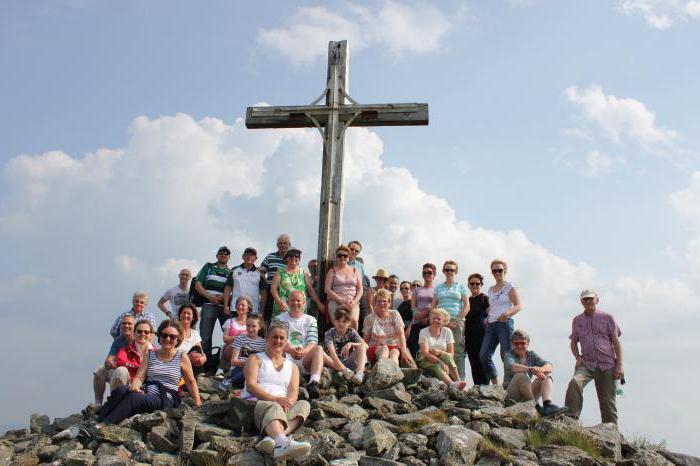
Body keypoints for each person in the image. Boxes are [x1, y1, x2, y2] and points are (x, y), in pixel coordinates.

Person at [98, 320, 201, 424]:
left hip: (165, 397)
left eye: (172, 337)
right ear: (160, 337)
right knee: (121, 390)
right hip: (147, 392)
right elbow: (139, 377)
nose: (168, 339)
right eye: (164, 336)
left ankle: (104, 424)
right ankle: (98, 418)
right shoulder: (150, 354)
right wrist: (135, 386)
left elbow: (190, 381)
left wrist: (198, 402)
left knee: (133, 398)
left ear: (178, 339)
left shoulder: (182, 357)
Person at [242, 320, 312, 461]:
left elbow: (293, 392)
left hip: (281, 408)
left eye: (282, 338)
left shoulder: (292, 367)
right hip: (256, 405)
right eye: (275, 337)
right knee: (273, 406)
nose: (278, 340)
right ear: (267, 338)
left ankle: (273, 438)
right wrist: (275, 400)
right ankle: (282, 441)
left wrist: (287, 403)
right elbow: (251, 385)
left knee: (304, 405)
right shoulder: (255, 359)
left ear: (286, 342)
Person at [565, 289, 623, 425]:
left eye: (590, 298)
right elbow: (573, 341)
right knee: (575, 383)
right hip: (587, 363)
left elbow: (616, 341)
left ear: (597, 299)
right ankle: (570, 419)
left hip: (607, 364)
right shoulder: (577, 320)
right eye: (585, 299)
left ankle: (610, 432)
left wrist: (619, 365)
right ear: (581, 302)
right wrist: (577, 356)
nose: (588, 301)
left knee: (607, 402)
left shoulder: (608, 317)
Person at [274, 290, 326, 399]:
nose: (295, 303)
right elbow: (274, 341)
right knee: (276, 348)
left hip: (305, 358)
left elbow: (312, 341)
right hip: (285, 358)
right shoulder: (278, 319)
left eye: (298, 300)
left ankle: (313, 383)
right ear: (287, 302)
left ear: (304, 303)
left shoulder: (310, 319)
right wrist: (291, 350)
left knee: (319, 349)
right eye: (292, 300)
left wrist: (303, 351)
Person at [503, 329, 566, 417]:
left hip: (526, 395)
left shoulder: (532, 355)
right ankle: (535, 406)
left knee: (546, 376)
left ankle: (547, 405)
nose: (519, 346)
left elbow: (549, 365)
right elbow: (512, 367)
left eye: (522, 343)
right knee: (521, 375)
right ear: (512, 344)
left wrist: (541, 370)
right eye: (516, 343)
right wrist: (531, 369)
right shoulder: (509, 355)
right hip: (511, 396)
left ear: (527, 344)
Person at [480, 259, 522, 385]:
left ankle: (510, 386)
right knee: (483, 355)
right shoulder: (490, 289)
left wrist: (507, 313)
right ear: (491, 272)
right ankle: (496, 384)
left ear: (505, 271)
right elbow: (493, 307)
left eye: (500, 270)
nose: (497, 273)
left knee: (506, 356)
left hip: (505, 324)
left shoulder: (509, 286)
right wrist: (488, 317)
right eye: (494, 270)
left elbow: (518, 305)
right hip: (491, 325)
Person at [432, 260, 470, 381]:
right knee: (442, 349)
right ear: (443, 271)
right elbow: (433, 305)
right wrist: (437, 320)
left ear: (456, 271)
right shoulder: (438, 288)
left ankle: (460, 380)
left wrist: (457, 321)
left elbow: (467, 306)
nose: (449, 272)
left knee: (458, 350)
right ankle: (446, 379)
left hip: (457, 321)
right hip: (441, 321)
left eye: (452, 270)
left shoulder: (461, 287)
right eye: (447, 270)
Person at [194, 246, 232, 359]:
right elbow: (198, 285)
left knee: (230, 335)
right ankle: (205, 366)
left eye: (226, 254)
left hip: (224, 307)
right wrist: (209, 296)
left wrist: (222, 299)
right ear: (217, 255)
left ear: (229, 257)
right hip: (209, 305)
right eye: (221, 253)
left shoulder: (231, 272)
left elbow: (233, 291)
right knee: (205, 337)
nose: (223, 255)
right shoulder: (209, 266)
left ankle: (227, 364)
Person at [363, 289, 414, 367]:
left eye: (385, 301)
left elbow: (401, 334)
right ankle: (382, 369)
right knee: (384, 350)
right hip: (375, 348)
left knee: (394, 354)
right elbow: (365, 340)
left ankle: (393, 372)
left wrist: (404, 350)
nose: (382, 303)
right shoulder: (369, 318)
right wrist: (363, 356)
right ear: (375, 303)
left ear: (389, 303)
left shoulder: (395, 314)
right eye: (379, 301)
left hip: (394, 346)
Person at [93, 314, 136, 408]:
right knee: (100, 370)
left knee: (120, 370)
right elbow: (110, 358)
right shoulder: (118, 341)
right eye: (124, 323)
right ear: (120, 326)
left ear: (135, 326)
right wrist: (108, 363)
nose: (126, 326)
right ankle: (98, 404)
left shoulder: (139, 339)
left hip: (134, 376)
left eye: (129, 324)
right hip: (119, 371)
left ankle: (115, 405)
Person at [417, 308, 466, 389]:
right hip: (425, 359)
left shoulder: (447, 331)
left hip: (443, 357)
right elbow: (425, 352)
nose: (436, 320)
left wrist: (439, 352)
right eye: (433, 318)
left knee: (447, 356)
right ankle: (451, 384)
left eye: (439, 319)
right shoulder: (423, 331)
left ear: (444, 321)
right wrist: (440, 361)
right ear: (430, 319)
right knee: (437, 366)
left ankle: (458, 381)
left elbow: (451, 353)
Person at [270, 248, 325, 320]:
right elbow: (273, 288)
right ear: (286, 258)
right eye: (291, 256)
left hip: (300, 307)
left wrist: (319, 304)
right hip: (283, 306)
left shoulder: (304, 273)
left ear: (299, 260)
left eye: (296, 256)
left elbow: (311, 291)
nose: (294, 258)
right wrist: (278, 301)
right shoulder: (280, 271)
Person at [220, 314, 266, 390]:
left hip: (255, 371)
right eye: (248, 326)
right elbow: (233, 361)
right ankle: (230, 381)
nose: (250, 329)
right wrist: (249, 364)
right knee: (249, 370)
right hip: (239, 369)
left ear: (259, 327)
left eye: (254, 326)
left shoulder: (264, 343)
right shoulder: (240, 338)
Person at [324, 308, 367, 385]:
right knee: (320, 351)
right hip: (334, 364)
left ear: (349, 323)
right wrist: (344, 370)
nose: (341, 324)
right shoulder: (329, 333)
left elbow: (366, 345)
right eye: (338, 321)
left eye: (344, 321)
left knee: (362, 346)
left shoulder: (352, 332)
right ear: (334, 322)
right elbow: (332, 353)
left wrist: (351, 343)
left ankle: (359, 374)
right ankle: (341, 372)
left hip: (348, 362)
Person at [324, 244, 363, 331]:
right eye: (340, 255)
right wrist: (340, 300)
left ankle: (353, 343)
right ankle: (337, 342)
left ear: (348, 257)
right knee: (338, 322)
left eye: (345, 256)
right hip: (335, 301)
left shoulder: (355, 270)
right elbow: (327, 289)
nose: (342, 257)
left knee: (353, 321)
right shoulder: (332, 271)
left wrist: (355, 301)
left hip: (351, 301)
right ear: (336, 257)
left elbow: (360, 289)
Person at [406, 263, 436, 357]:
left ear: (434, 274)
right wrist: (417, 315)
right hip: (417, 322)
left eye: (429, 272)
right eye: (424, 273)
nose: (427, 275)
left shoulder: (437, 290)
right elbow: (413, 306)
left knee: (428, 350)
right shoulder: (417, 290)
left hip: (430, 323)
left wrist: (426, 316)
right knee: (413, 348)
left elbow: (435, 307)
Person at [260, 234, 291, 323]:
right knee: (268, 314)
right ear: (277, 245)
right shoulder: (270, 256)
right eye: (280, 243)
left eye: (285, 243)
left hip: (284, 291)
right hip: (270, 289)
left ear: (289, 245)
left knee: (284, 315)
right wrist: (263, 277)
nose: (282, 245)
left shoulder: (291, 259)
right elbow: (262, 269)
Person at [223, 247, 263, 316]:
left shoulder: (259, 273)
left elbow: (263, 293)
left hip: (253, 311)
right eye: (247, 254)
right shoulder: (234, 270)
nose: (249, 256)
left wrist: (261, 310)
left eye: (252, 255)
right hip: (236, 309)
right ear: (243, 256)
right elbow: (228, 288)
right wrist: (226, 305)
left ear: (255, 259)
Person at [465, 273, 488, 385]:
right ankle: (477, 387)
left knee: (481, 360)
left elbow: (491, 314)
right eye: (472, 283)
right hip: (469, 335)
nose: (474, 285)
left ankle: (485, 387)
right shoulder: (466, 301)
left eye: (477, 283)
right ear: (468, 285)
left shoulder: (484, 298)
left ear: (481, 285)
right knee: (472, 361)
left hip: (482, 334)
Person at [177, 303, 206, 374]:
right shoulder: (174, 332)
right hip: (177, 366)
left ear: (193, 317)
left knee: (197, 349)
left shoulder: (195, 333)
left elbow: (202, 353)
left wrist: (203, 359)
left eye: (188, 313)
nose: (186, 315)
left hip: (192, 367)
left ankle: (196, 376)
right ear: (180, 315)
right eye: (184, 313)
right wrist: (187, 358)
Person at [222, 296, 252, 363]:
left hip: (247, 349)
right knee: (237, 348)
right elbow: (225, 338)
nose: (240, 307)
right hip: (230, 349)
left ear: (248, 309)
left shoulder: (251, 324)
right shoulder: (229, 321)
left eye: (243, 305)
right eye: (238, 305)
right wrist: (238, 337)